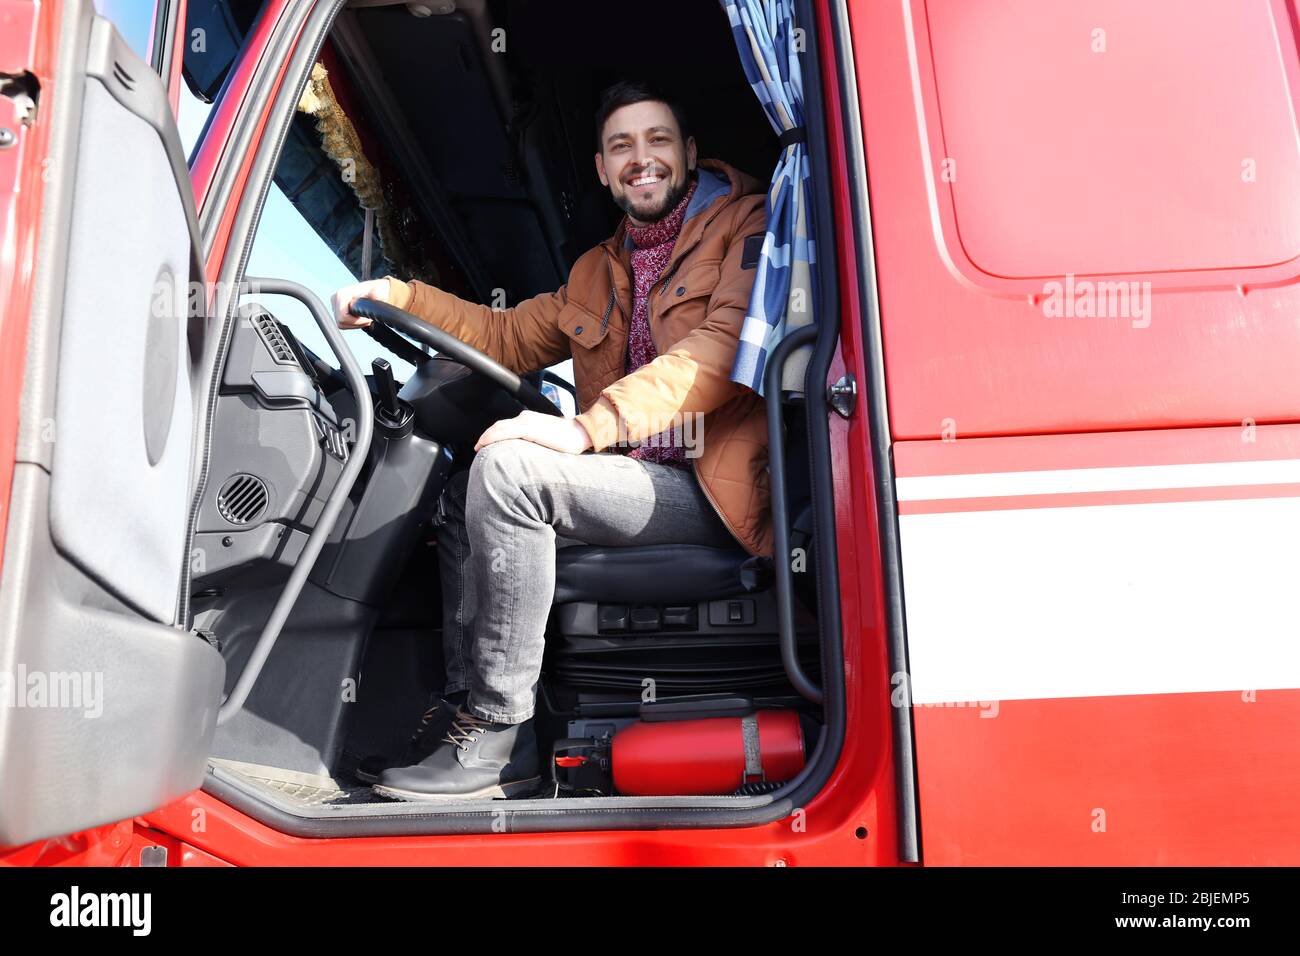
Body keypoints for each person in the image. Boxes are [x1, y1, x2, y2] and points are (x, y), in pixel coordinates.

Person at [332, 80, 773, 801]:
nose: (642, 159)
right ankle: (464, 713)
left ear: (689, 154)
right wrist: (402, 296)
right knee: (457, 495)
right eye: (622, 146)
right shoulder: (597, 269)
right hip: (632, 479)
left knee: (512, 474)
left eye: (658, 140)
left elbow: (718, 351)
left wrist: (582, 428)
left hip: (707, 486)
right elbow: (505, 334)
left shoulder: (743, 224)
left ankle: (502, 733)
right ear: (602, 169)